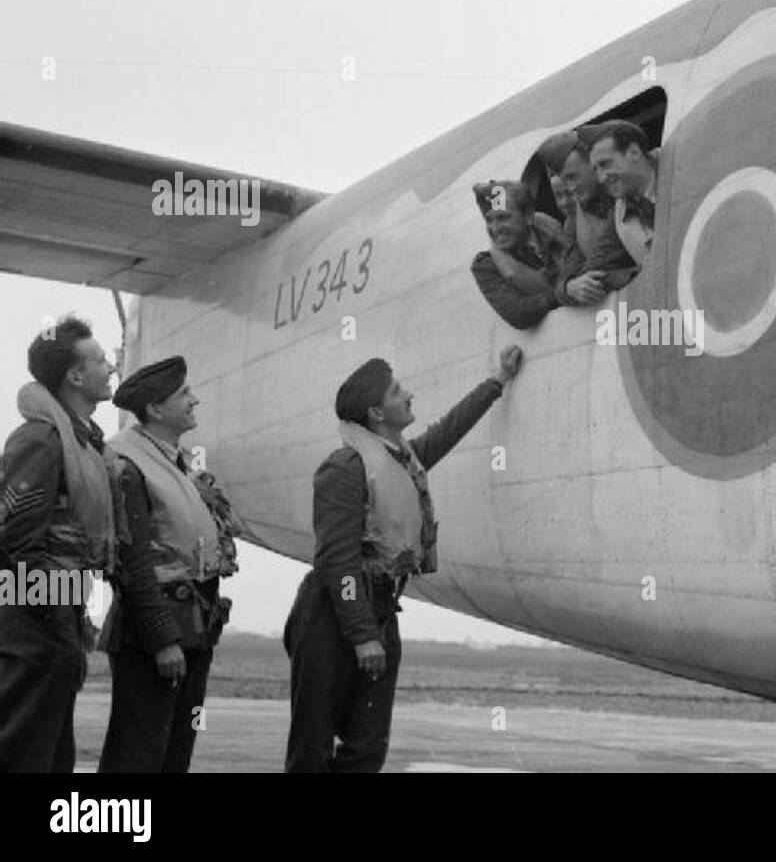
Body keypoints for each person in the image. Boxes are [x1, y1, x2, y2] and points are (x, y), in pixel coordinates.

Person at [284, 347, 523, 772]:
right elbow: (337, 563)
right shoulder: (344, 468)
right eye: (398, 391)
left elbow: (448, 430)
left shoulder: (402, 459)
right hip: (331, 619)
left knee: (367, 747)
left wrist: (497, 382)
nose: (408, 394)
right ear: (377, 412)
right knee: (312, 750)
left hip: (378, 611)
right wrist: (361, 636)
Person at [98, 356, 238, 773]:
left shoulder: (173, 461)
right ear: (156, 410)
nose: (195, 399)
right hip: (156, 633)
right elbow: (132, 563)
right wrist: (162, 639)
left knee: (173, 755)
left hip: (191, 629)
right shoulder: (128, 464)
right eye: (184, 394)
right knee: (138, 757)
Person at [0, 316, 118, 772]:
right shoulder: (43, 439)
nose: (111, 367)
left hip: (57, 614)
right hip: (34, 623)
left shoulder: (81, 442)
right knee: (23, 749)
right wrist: (52, 620)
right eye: (102, 360)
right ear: (74, 376)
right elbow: (15, 545)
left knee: (50, 753)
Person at [537, 128, 638, 301]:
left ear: (593, 162)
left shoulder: (628, 193)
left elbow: (595, 269)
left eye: (572, 177)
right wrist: (569, 288)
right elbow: (571, 275)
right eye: (565, 180)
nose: (570, 188)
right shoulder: (573, 222)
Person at [469, 179, 569, 329]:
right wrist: (566, 291)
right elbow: (520, 313)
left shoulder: (557, 232)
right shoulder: (486, 266)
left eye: (503, 218)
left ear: (528, 216)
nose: (495, 229)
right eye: (489, 220)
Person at [589, 120, 657, 267]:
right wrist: (571, 285)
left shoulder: (683, 167)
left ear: (634, 152)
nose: (601, 178)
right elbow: (596, 268)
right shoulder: (617, 214)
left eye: (605, 164)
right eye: (596, 170)